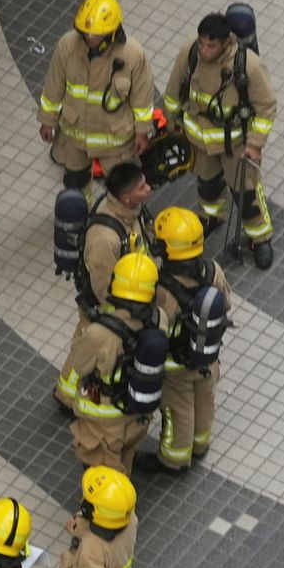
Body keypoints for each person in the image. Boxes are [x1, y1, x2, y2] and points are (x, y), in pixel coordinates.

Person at [164, 9, 278, 269]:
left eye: (210, 45)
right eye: (202, 43)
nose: (204, 50)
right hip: (198, 137)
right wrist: (172, 123)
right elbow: (173, 90)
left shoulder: (248, 65)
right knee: (207, 184)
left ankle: (260, 237)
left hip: (234, 144)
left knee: (246, 191)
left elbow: (266, 106)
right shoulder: (190, 52)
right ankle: (212, 217)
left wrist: (254, 144)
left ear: (227, 42)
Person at [141, 206, 233, 473]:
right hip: (208, 357)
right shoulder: (213, 270)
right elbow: (226, 303)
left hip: (175, 366)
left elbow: (156, 328)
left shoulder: (161, 289)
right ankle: (200, 444)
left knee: (178, 410)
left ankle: (174, 459)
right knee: (205, 400)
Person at [37, 0, 153, 192]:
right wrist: (47, 121)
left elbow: (142, 98)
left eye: (95, 34)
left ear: (112, 32)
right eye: (85, 33)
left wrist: (142, 132)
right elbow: (54, 86)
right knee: (75, 185)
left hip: (115, 141)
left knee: (123, 189)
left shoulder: (133, 54)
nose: (89, 38)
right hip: (75, 135)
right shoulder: (67, 46)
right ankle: (83, 208)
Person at [63, 252, 165, 473]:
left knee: (104, 478)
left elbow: (79, 364)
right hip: (136, 415)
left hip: (103, 422)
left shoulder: (99, 333)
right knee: (123, 463)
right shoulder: (159, 319)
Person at [72, 161, 155, 324]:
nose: (148, 188)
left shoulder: (130, 207)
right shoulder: (105, 240)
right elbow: (104, 291)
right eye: (142, 188)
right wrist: (126, 320)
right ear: (126, 199)